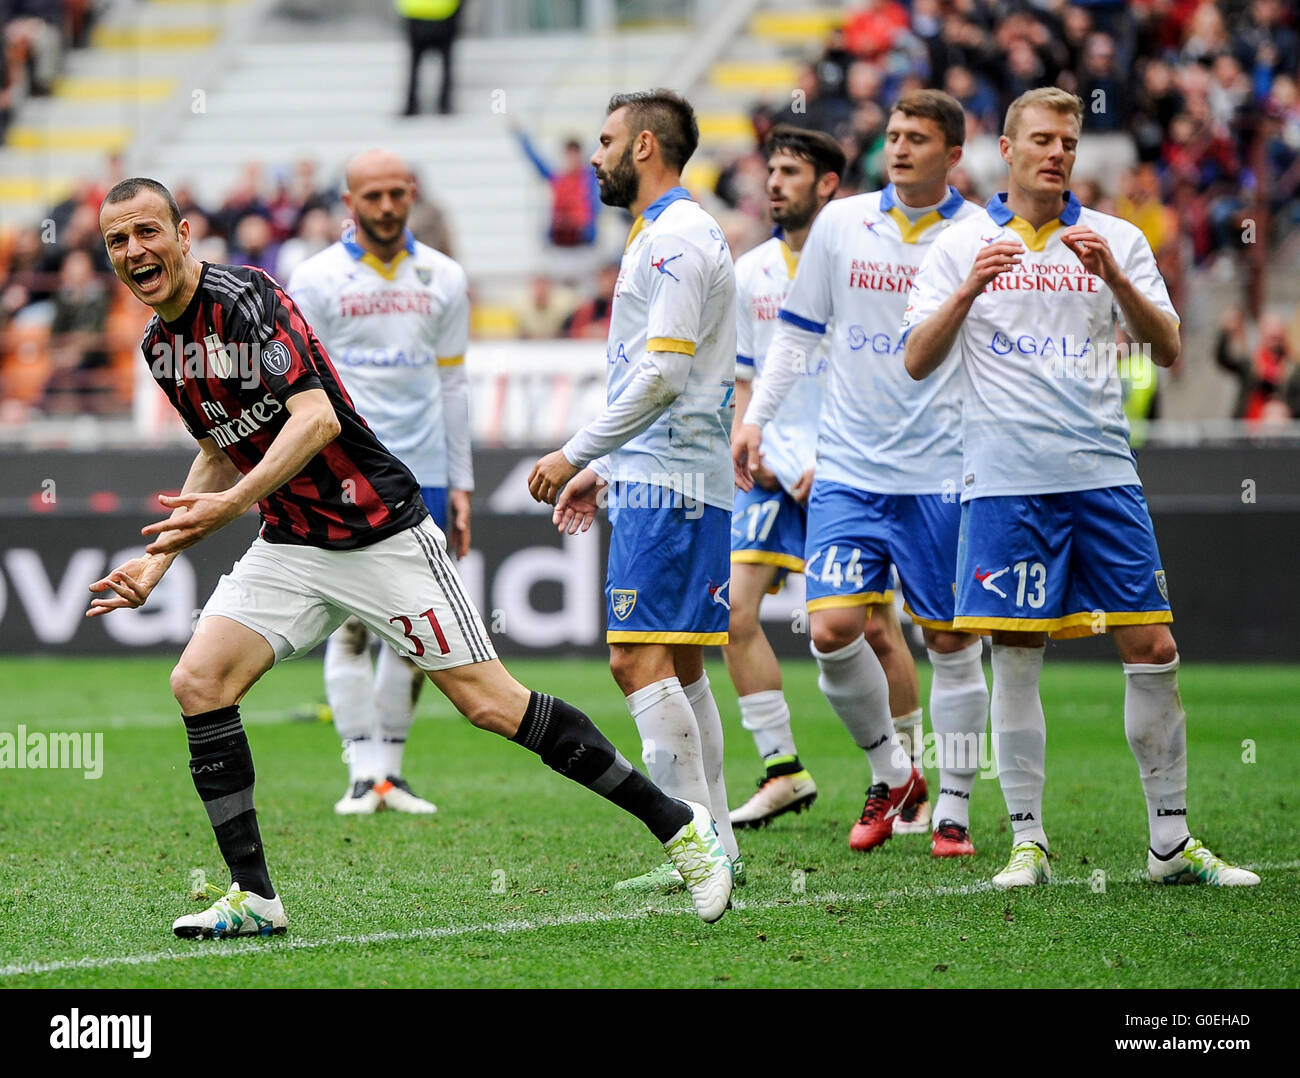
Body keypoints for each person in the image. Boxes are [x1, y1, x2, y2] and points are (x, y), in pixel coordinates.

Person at [89, 177, 734, 937]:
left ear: (184, 233)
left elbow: (317, 418)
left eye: (147, 232)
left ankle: (684, 829)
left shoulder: (247, 299)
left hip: (380, 532)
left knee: (491, 705)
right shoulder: (162, 346)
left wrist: (232, 506)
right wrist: (158, 562)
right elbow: (217, 445)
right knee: (198, 681)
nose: (135, 251)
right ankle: (255, 898)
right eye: (118, 242)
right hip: (294, 542)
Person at [901, 87, 1259, 889]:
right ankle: (1028, 841)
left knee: (1155, 649)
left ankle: (1170, 843)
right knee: (1016, 657)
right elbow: (916, 358)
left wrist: (1120, 284)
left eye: (1068, 139)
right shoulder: (961, 245)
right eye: (1042, 138)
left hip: (1102, 478)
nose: (1057, 152)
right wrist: (968, 293)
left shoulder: (1116, 239)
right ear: (1007, 146)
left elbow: (1166, 349)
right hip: (1002, 484)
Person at [733, 90, 991, 858]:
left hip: (941, 470)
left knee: (947, 640)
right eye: (893, 134)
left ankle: (954, 804)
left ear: (954, 153)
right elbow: (797, 336)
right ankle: (893, 771)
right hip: (848, 466)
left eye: (918, 137)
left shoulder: (981, 235)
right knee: (832, 628)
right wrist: (754, 421)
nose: (900, 147)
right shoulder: (844, 224)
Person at [528, 89, 743, 892]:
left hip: (672, 484)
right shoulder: (667, 233)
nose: (593, 155)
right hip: (668, 473)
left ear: (646, 146)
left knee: (634, 659)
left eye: (607, 138)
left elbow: (664, 373)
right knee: (682, 665)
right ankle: (718, 840)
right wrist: (603, 470)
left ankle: (693, 846)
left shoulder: (675, 240)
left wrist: (574, 450)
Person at [725, 125, 920, 832]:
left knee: (872, 626)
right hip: (776, 470)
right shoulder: (750, 274)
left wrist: (831, 456)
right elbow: (746, 380)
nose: (774, 183)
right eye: (770, 171)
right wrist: (753, 447)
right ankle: (783, 770)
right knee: (735, 614)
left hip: (850, 465)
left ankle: (908, 781)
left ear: (829, 185)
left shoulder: (864, 263)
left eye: (791, 172)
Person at [288, 149, 471, 815]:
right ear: (349, 202)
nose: (388, 207)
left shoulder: (444, 277)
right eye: (374, 196)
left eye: (398, 194)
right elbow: (301, 388)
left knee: (421, 626)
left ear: (412, 194)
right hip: (347, 469)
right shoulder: (314, 280)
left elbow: (454, 381)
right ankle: (361, 771)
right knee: (352, 625)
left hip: (425, 473)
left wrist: (463, 482)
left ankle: (389, 774)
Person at [396, 0, 461, 116]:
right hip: (443, 13)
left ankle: (412, 105)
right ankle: (444, 104)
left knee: (414, 64)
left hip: (416, 13)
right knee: (446, 64)